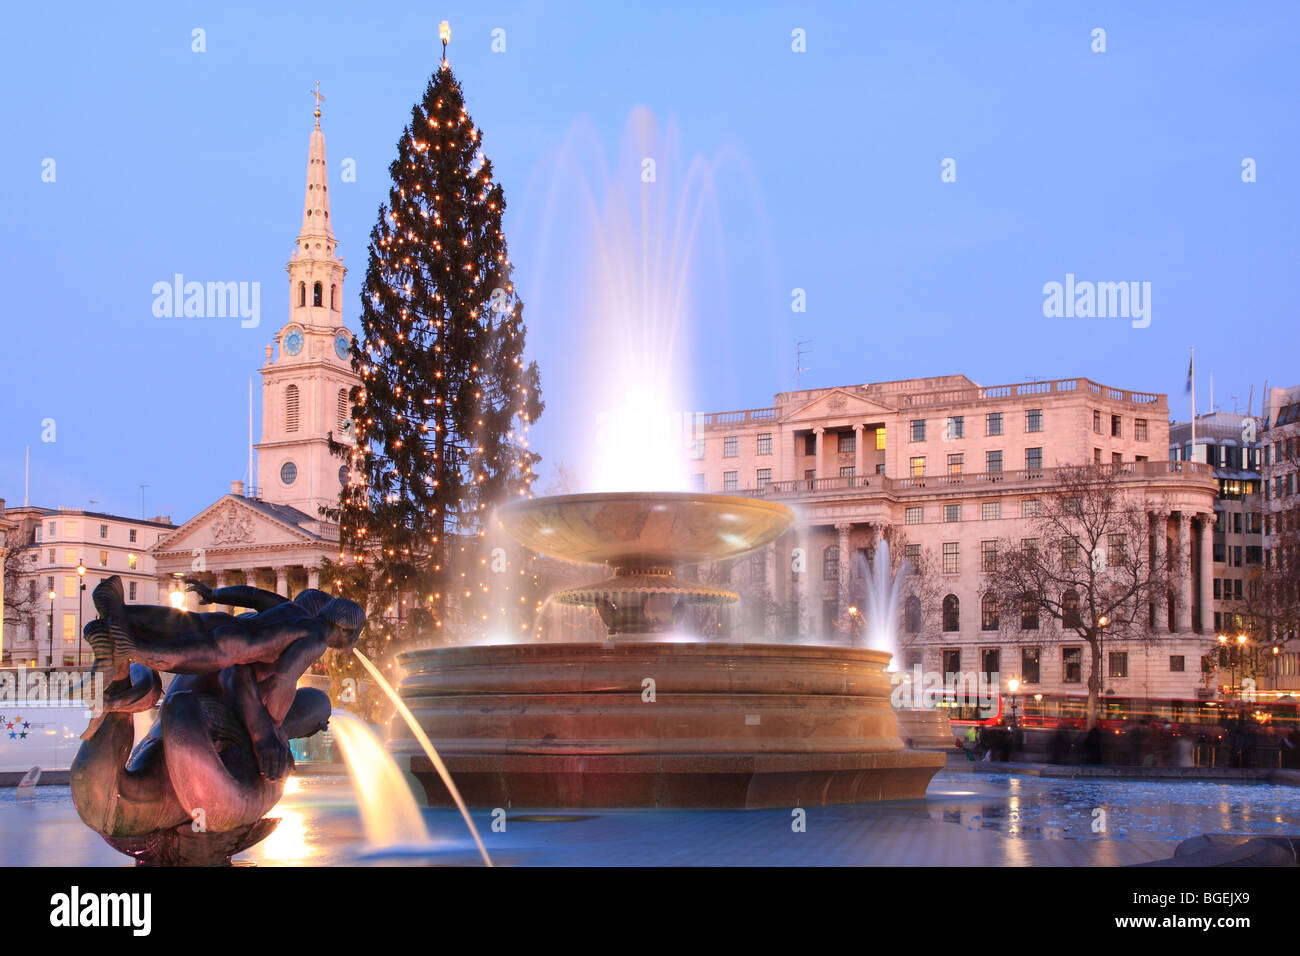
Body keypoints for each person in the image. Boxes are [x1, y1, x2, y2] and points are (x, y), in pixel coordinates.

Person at [88, 575, 365, 780]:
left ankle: (117, 615)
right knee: (175, 656)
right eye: (352, 637)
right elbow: (285, 678)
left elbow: (253, 595)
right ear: (343, 630)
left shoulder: (289, 610)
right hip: (231, 652)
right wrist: (270, 731)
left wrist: (214, 595)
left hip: (226, 625)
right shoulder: (315, 638)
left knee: (182, 623)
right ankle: (129, 648)